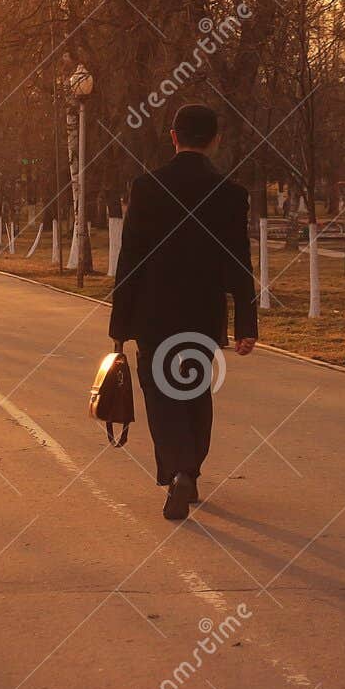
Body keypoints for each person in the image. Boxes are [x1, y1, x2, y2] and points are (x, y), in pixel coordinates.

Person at [109, 104, 258, 520]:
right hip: (201, 314)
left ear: (173, 137)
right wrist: (246, 323)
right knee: (194, 390)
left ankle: (176, 470)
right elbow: (238, 262)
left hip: (153, 314)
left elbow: (130, 260)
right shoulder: (230, 193)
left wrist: (119, 325)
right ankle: (189, 469)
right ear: (214, 140)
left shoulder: (146, 187)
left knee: (160, 393)